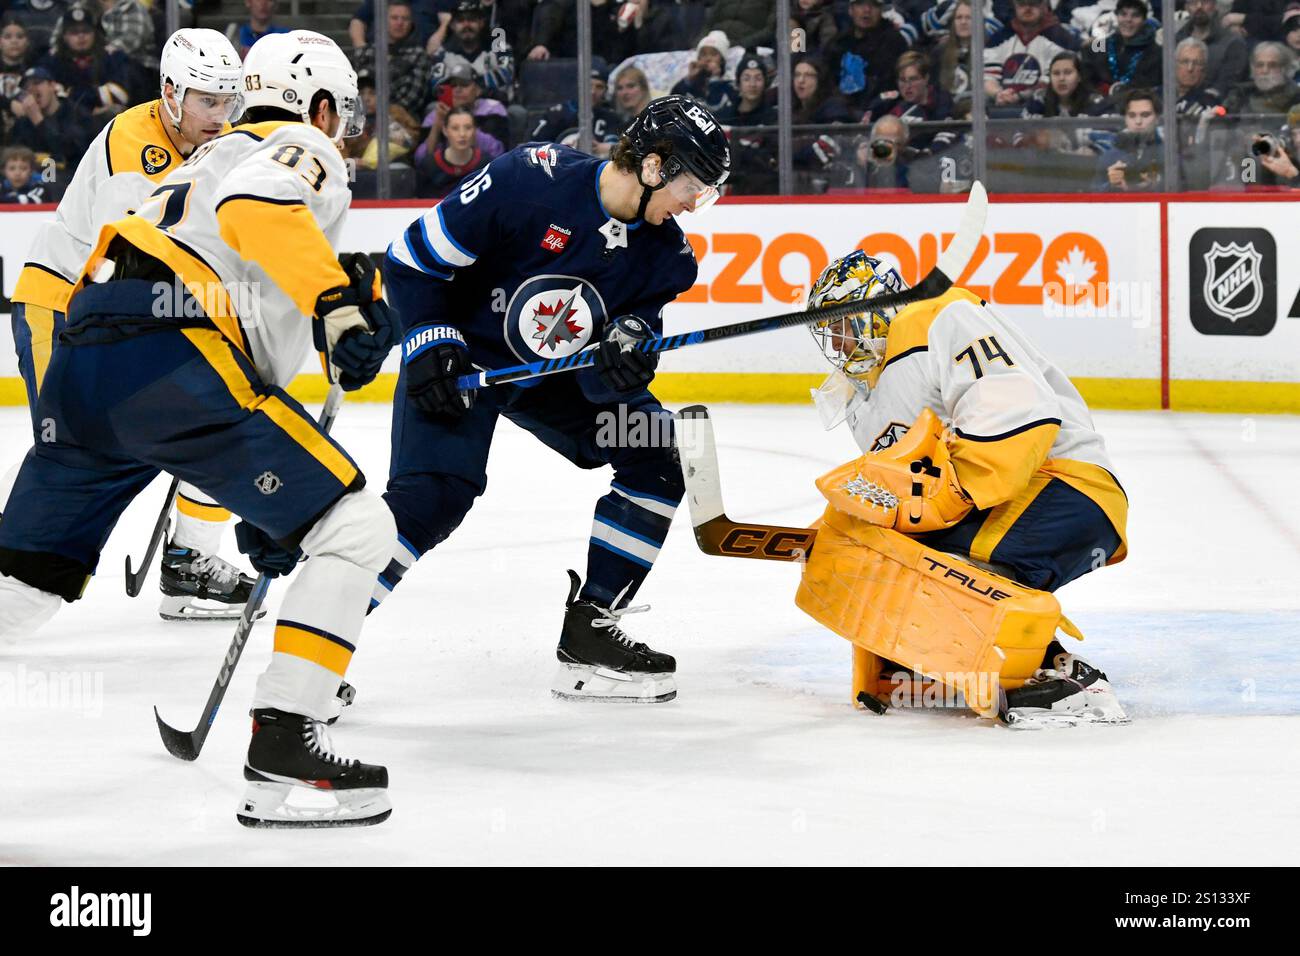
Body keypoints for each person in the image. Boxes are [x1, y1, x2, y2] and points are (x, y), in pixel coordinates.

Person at [0, 30, 399, 827]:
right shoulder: (299, 146)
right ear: (320, 105)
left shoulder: (202, 158)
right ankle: (284, 746)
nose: (342, 129)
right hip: (171, 356)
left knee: (23, 582)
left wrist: (269, 507)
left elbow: (245, 317)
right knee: (359, 529)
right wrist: (335, 302)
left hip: (89, 350)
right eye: (341, 112)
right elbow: (259, 210)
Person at [376, 96, 730, 703]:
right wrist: (428, 337)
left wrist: (626, 357)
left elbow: (619, 356)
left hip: (552, 381)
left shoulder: (667, 259)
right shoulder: (528, 181)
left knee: (660, 450)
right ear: (653, 166)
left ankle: (591, 629)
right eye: (692, 186)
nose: (694, 205)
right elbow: (411, 260)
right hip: (461, 364)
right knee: (431, 498)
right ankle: (318, 644)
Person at [797, 250, 1129, 727]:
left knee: (938, 566)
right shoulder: (866, 397)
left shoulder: (935, 316)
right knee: (886, 556)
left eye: (843, 326)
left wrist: (954, 495)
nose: (838, 343)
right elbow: (905, 487)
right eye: (829, 334)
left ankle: (1064, 680)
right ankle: (955, 659)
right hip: (1017, 500)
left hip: (1067, 486)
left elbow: (1019, 413)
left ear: (874, 308)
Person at [4, 30, 257, 623]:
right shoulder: (134, 149)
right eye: (207, 101)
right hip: (63, 306)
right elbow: (143, 264)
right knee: (66, 452)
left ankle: (190, 562)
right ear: (171, 94)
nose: (220, 114)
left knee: (224, 421)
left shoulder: (218, 143)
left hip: (131, 315)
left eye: (229, 101)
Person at [37, 4, 135, 121]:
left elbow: (119, 94)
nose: (81, 36)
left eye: (86, 31)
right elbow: (51, 99)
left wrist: (71, 94)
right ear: (64, 36)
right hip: (64, 122)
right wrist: (92, 109)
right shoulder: (52, 60)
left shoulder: (113, 57)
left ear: (95, 33)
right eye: (74, 32)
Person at [984, 0, 1078, 108]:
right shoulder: (998, 39)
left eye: (1034, 3)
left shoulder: (1062, 39)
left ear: (1044, 5)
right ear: (1014, 5)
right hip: (1001, 106)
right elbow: (987, 76)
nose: (1028, 8)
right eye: (1022, 4)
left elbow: (1055, 79)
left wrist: (1020, 96)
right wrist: (998, 93)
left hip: (1046, 109)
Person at [350, 0, 434, 117]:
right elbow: (350, 89)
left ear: (411, 23)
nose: (400, 23)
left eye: (405, 19)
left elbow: (413, 99)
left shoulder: (419, 56)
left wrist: (380, 109)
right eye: (394, 18)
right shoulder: (365, 53)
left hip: (400, 119)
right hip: (359, 116)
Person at [826, 0, 909, 113]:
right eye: (860, 4)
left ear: (881, 10)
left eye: (874, 5)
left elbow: (889, 87)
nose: (867, 10)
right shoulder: (839, 43)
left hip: (880, 110)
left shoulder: (894, 42)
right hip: (841, 110)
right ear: (851, 10)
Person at [6, 66, 95, 170]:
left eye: (37, 83)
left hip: (69, 174)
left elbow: (71, 151)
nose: (32, 89)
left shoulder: (75, 114)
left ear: (52, 85)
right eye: (26, 87)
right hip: (36, 176)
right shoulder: (24, 122)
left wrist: (39, 121)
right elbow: (12, 154)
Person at [418, 60, 508, 160]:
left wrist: (463, 122)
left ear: (478, 90)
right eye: (453, 85)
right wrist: (437, 125)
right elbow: (421, 159)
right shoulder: (437, 115)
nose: (457, 89)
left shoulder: (493, 109)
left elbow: (497, 153)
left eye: (464, 84)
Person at [530, 56, 624, 150]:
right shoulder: (558, 114)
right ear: (579, 86)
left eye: (599, 87)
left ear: (606, 90)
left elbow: (617, 148)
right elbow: (534, 146)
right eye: (588, 85)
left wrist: (602, 148)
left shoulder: (611, 118)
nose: (593, 91)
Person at [1080, 0, 1160, 100]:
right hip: (1102, 104)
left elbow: (1149, 85)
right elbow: (1088, 76)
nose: (1128, 20)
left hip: (1138, 103)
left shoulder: (1155, 52)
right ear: (1117, 17)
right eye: (1123, 14)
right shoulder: (1100, 44)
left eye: (1135, 15)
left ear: (1144, 20)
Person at [435, 1, 514, 103]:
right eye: (460, 21)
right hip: (455, 106)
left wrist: (466, 86)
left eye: (471, 19)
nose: (466, 25)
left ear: (481, 23)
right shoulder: (442, 53)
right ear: (452, 25)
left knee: (516, 110)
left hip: (495, 105)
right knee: (432, 107)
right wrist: (471, 90)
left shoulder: (500, 47)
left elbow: (507, 73)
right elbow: (437, 85)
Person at [862, 50, 954, 131]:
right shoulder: (891, 104)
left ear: (926, 78)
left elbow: (945, 130)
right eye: (902, 80)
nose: (907, 86)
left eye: (913, 79)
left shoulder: (941, 99)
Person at [1095, 86, 1162, 191]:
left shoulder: (1169, 155)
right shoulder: (1110, 157)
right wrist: (1111, 185)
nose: (1138, 121)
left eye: (1145, 115)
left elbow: (1185, 189)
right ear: (1125, 119)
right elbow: (1092, 195)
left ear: (1157, 118)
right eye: (1132, 115)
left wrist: (1158, 185)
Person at [416, 103, 489, 196]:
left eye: (468, 128)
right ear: (445, 130)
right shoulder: (429, 165)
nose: (462, 134)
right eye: (455, 128)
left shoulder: (486, 164)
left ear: (475, 130)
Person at [1177, 0, 1247, 97]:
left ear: (1215, 5)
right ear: (1186, 7)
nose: (1199, 6)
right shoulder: (1175, 40)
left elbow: (1225, 87)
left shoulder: (1233, 43)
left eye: (1205, 1)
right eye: (1193, 2)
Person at [1223, 42, 1300, 116]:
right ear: (1253, 68)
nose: (1265, 71)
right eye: (1259, 65)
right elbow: (1222, 121)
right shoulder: (1240, 94)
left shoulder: (1296, 97)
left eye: (1272, 65)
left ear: (1284, 68)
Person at [671, 30, 735, 115]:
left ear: (722, 60)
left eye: (713, 54)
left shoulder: (728, 82)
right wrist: (689, 79)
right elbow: (673, 102)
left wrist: (715, 79)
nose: (708, 58)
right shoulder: (693, 81)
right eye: (704, 54)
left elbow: (715, 108)